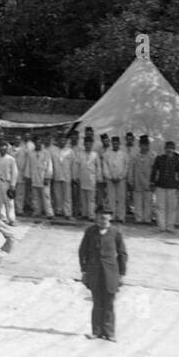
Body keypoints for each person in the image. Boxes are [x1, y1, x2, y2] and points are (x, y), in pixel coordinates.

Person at [78, 209, 127, 341]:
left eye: (105, 218)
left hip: (111, 273)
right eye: (100, 218)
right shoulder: (90, 232)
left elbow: (122, 254)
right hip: (94, 272)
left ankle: (109, 333)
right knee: (97, 302)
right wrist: (84, 271)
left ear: (110, 218)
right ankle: (96, 331)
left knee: (109, 303)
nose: (102, 221)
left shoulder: (116, 233)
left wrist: (122, 274)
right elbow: (82, 252)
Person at [150, 140, 179, 234]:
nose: (169, 150)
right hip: (160, 186)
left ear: (174, 149)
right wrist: (152, 182)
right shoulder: (159, 158)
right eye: (168, 148)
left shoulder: (177, 160)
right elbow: (154, 171)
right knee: (160, 207)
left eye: (171, 148)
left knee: (172, 208)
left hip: (172, 187)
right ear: (165, 149)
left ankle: (170, 227)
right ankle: (161, 226)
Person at [102, 136, 129, 220]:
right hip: (110, 180)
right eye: (113, 143)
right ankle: (111, 216)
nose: (115, 145)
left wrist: (120, 177)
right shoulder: (107, 154)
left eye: (117, 143)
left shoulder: (124, 154)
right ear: (111, 143)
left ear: (119, 144)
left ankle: (121, 217)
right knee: (111, 198)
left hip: (121, 180)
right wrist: (110, 177)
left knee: (121, 198)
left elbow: (126, 167)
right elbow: (105, 166)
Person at [130, 136, 156, 225]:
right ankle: (139, 218)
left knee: (148, 201)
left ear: (149, 146)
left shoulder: (152, 156)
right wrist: (131, 181)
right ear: (140, 145)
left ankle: (148, 219)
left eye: (146, 145)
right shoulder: (135, 156)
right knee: (137, 201)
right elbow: (131, 169)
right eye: (143, 145)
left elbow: (155, 170)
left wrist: (154, 182)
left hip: (148, 181)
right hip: (137, 180)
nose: (145, 147)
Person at [75, 135, 101, 221]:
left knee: (91, 199)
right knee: (83, 197)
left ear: (92, 144)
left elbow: (98, 167)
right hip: (82, 178)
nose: (88, 145)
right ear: (84, 144)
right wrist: (76, 177)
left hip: (92, 179)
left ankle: (91, 215)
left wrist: (98, 178)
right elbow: (76, 166)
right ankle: (84, 214)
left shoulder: (95, 154)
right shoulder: (80, 154)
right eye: (86, 144)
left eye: (90, 144)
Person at [28, 137, 54, 218]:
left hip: (43, 177)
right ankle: (37, 211)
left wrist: (47, 177)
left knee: (46, 196)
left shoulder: (46, 153)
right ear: (34, 143)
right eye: (36, 142)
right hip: (34, 177)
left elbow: (49, 165)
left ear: (41, 143)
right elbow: (28, 166)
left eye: (39, 142)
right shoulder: (31, 153)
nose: (38, 144)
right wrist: (28, 176)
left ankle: (49, 213)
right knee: (35, 197)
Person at [0, 141, 20, 224]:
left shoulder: (11, 159)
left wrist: (13, 185)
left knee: (9, 202)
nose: (2, 150)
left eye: (4, 149)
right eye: (1, 148)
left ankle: (11, 219)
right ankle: (3, 218)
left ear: (6, 149)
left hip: (7, 182)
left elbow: (14, 172)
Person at [51, 134, 74, 219]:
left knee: (67, 196)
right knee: (58, 195)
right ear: (58, 141)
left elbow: (73, 165)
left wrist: (73, 176)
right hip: (57, 175)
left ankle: (67, 213)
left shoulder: (70, 151)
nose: (62, 142)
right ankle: (59, 211)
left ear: (66, 142)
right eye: (60, 140)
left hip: (67, 175)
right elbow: (52, 164)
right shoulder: (54, 152)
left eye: (64, 140)